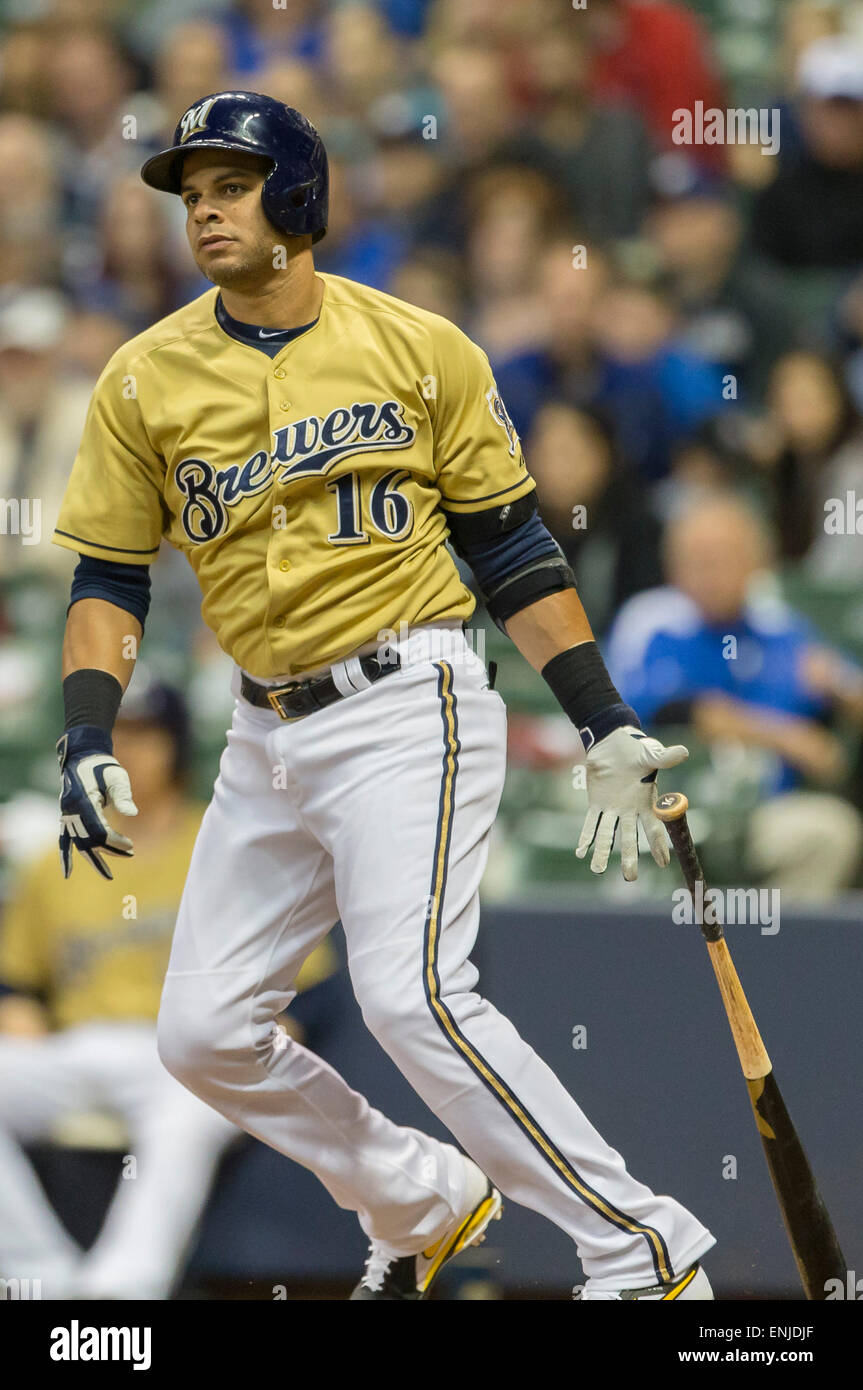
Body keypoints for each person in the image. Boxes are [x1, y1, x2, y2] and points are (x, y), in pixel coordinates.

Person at [51, 91, 715, 1301]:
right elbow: (107, 572)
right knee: (200, 1034)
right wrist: (86, 724)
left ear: (298, 195)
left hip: (408, 694)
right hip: (262, 728)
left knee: (412, 998)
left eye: (231, 184)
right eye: (191, 191)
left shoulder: (419, 346)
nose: (203, 207)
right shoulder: (144, 377)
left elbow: (512, 550)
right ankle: (419, 1195)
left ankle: (643, 1248)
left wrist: (602, 717)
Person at [0, 679, 239, 1299]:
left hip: (180, 1055)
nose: (125, 752)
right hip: (78, 1048)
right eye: (114, 736)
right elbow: (17, 981)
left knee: (193, 1110)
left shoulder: (225, 842)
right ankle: (46, 1281)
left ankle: (123, 1293)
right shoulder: (59, 851)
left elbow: (301, 980)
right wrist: (19, 1008)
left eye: (142, 734)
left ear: (176, 745)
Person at [607, 494, 863, 898]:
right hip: (661, 809)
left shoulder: (778, 628)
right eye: (696, 558)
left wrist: (840, 690)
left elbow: (846, 695)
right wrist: (789, 738)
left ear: (755, 562)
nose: (708, 572)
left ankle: (775, 954)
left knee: (829, 832)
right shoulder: (654, 621)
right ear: (673, 565)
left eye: (722, 557)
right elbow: (678, 711)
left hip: (759, 813)